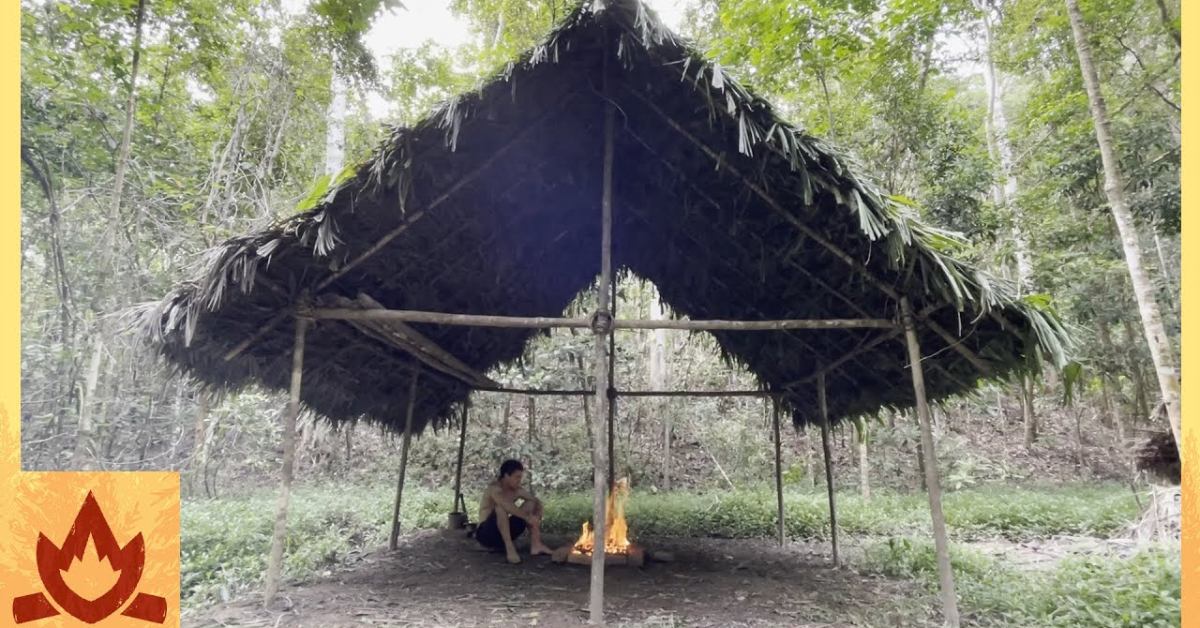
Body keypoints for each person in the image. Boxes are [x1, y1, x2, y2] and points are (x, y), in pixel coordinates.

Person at [476, 459, 553, 563]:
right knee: (500, 508)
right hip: (487, 534)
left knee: (531, 503)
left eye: (520, 477)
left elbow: (535, 501)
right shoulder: (494, 489)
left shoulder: (517, 490)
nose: (519, 480)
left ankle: (536, 545)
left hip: (504, 532)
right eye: (517, 477)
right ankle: (510, 548)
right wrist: (527, 517)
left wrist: (537, 516)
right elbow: (505, 505)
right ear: (506, 476)